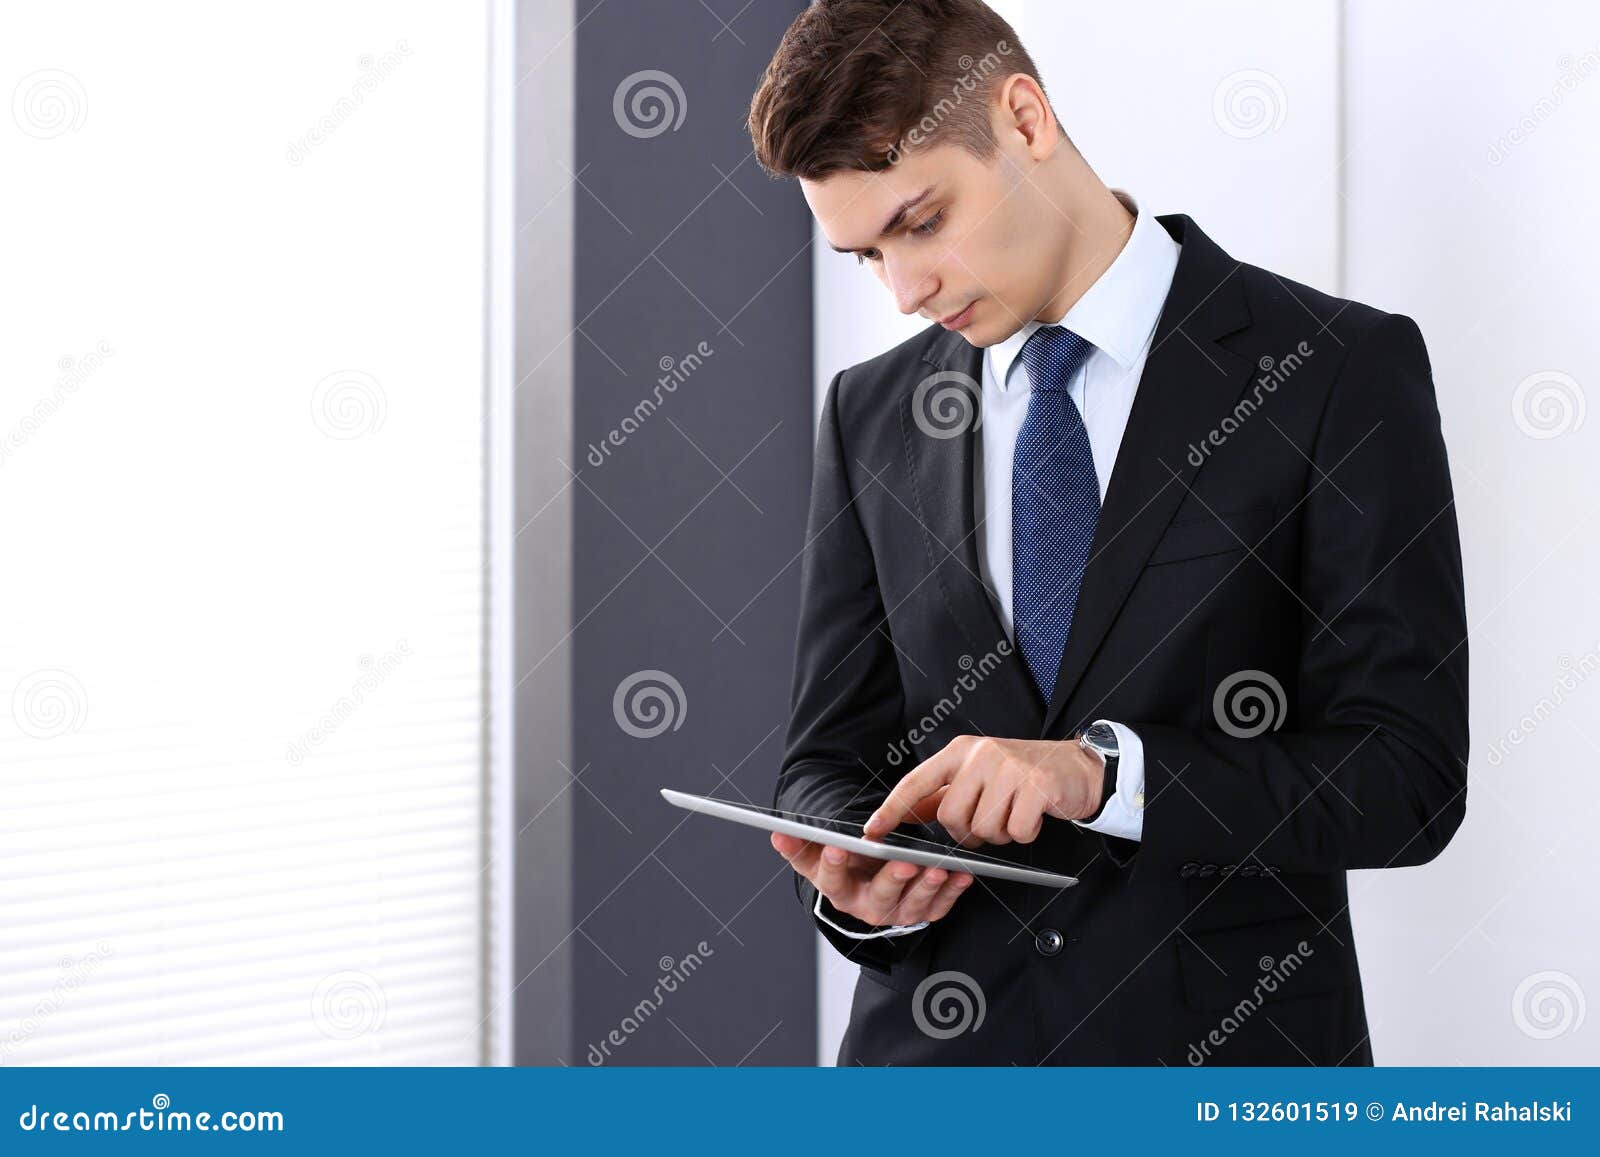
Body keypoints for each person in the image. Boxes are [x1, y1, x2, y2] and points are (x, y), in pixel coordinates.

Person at [749, 0, 1468, 1066]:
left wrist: (1102, 775)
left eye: (921, 222)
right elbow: (826, 754)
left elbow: (1407, 778)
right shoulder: (871, 412)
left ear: (1024, 119)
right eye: (866, 256)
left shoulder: (1331, 371)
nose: (904, 291)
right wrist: (863, 878)